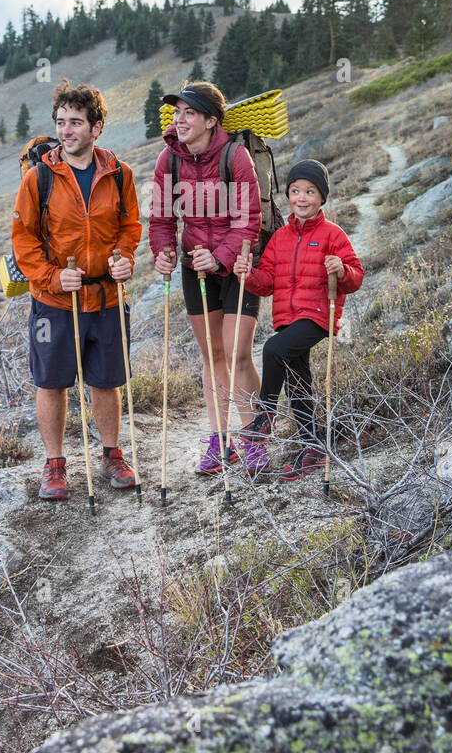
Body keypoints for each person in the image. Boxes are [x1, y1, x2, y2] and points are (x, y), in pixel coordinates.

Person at [11, 79, 142, 500]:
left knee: (106, 380)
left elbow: (130, 227)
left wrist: (123, 258)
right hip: (54, 301)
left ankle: (112, 455)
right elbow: (24, 239)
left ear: (97, 127)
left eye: (76, 123)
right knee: (51, 382)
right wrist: (50, 277)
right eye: (61, 122)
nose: (66, 131)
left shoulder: (120, 174)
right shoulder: (38, 179)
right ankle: (54, 465)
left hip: (105, 298)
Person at [148, 81, 265, 474]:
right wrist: (163, 254)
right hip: (193, 266)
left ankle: (254, 437)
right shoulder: (170, 160)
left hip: (238, 265)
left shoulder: (236, 156)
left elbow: (249, 221)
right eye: (177, 112)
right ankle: (220, 441)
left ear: (211, 121)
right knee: (212, 354)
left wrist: (219, 259)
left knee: (237, 352)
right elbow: (162, 218)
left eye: (189, 113)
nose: (180, 120)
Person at [233, 158, 364, 481]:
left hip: (317, 315)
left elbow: (356, 276)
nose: (301, 198)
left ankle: (264, 418)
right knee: (297, 379)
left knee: (274, 349)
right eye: (295, 191)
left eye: (309, 191)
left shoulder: (333, 234)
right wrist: (248, 275)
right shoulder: (280, 238)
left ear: (321, 198)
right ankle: (312, 446)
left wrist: (341, 270)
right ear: (288, 195)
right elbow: (266, 282)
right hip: (286, 318)